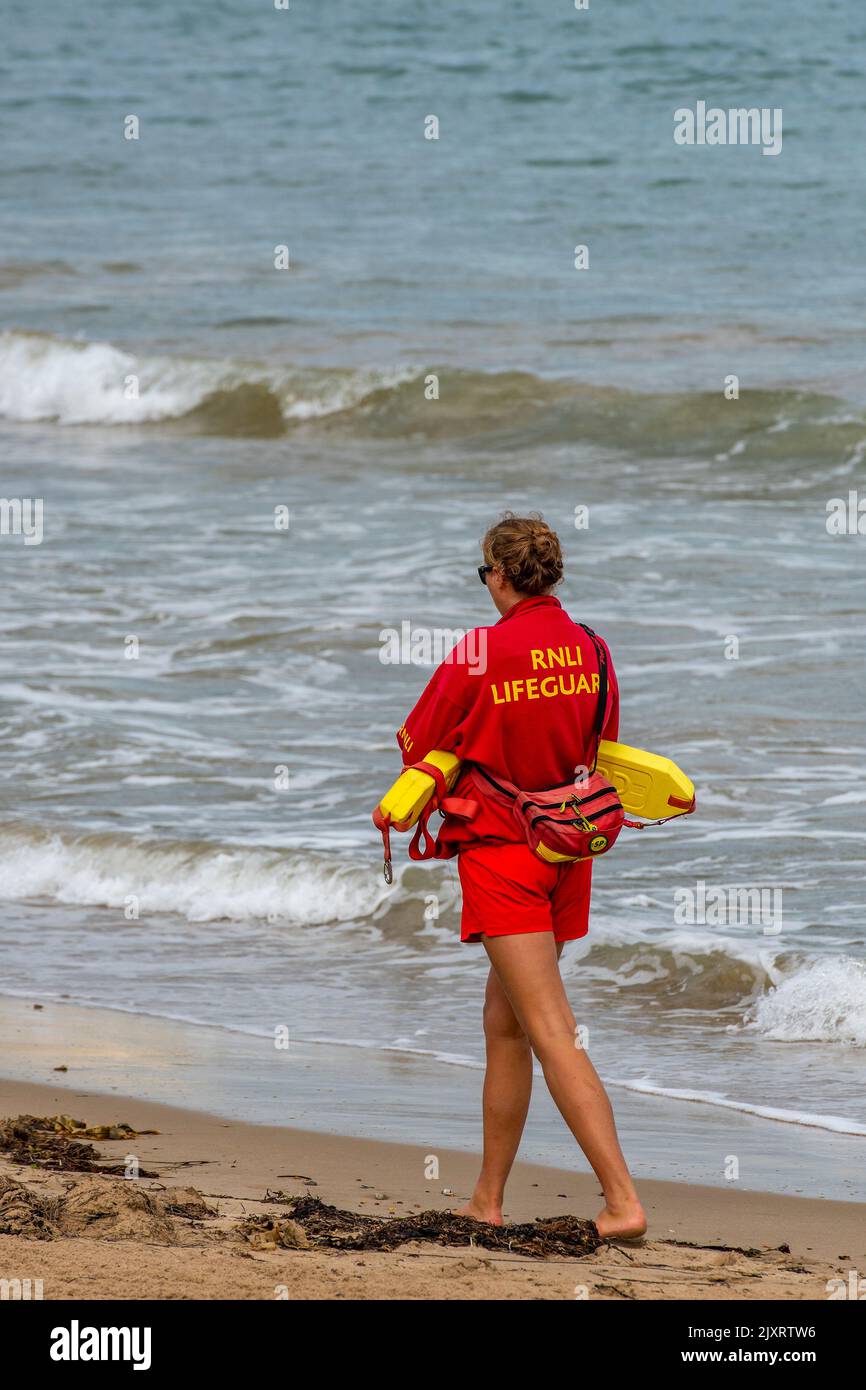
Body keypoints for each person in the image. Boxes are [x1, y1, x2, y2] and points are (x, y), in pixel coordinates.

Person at [394, 513, 646, 1239]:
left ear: (499, 576)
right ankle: (486, 1200)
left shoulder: (480, 652)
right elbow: (606, 749)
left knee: (550, 1029)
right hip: (568, 848)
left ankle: (623, 1202)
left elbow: (418, 743)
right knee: (505, 1025)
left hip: (503, 852)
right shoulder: (593, 648)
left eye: (484, 574)